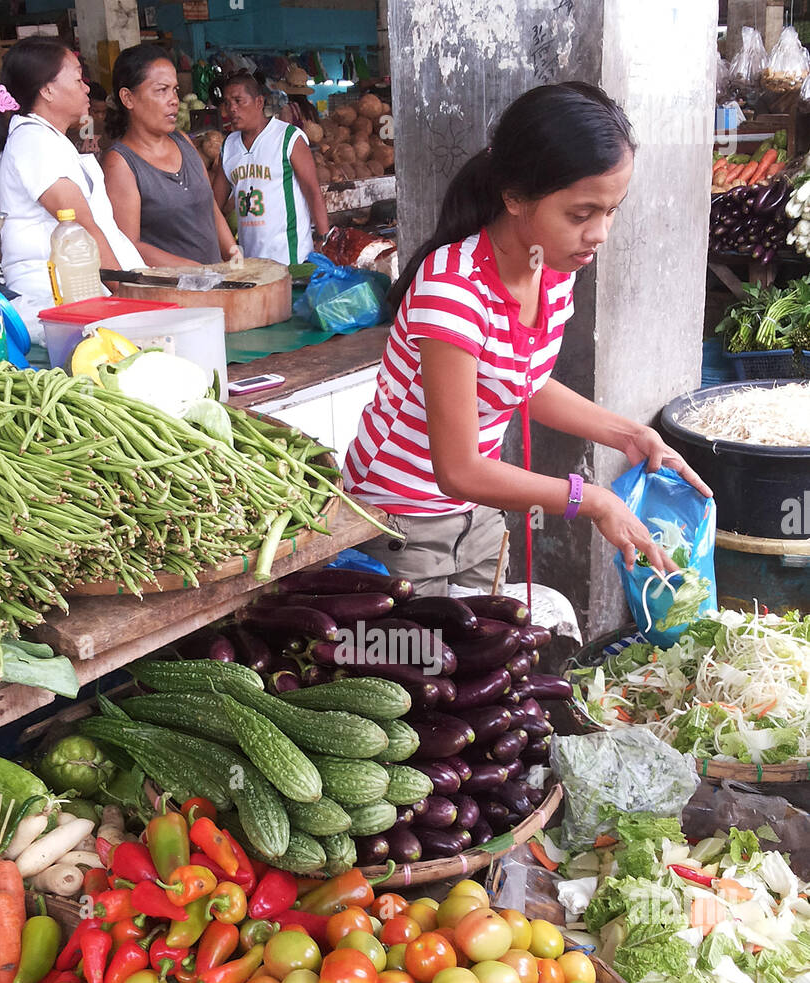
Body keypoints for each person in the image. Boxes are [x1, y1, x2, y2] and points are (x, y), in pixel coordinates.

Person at [344, 83, 711, 597]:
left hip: (479, 513)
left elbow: (524, 385)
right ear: (514, 197)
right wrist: (594, 500)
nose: (599, 234)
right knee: (421, 667)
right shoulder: (452, 289)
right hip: (397, 524)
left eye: (611, 211)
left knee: (489, 656)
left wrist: (629, 436)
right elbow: (458, 469)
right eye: (580, 214)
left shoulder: (555, 270)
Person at [0, 37, 144, 330]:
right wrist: (129, 297)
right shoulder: (33, 141)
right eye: (77, 78)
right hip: (56, 302)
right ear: (47, 90)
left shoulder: (49, 139)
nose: (86, 87)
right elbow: (81, 226)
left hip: (84, 296)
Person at [102, 45, 237, 268]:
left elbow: (210, 208)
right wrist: (196, 271)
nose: (174, 99)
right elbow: (127, 246)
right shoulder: (120, 164)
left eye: (174, 89)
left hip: (214, 287)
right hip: (172, 295)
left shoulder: (183, 141)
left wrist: (234, 255)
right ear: (128, 98)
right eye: (162, 90)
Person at [213, 70, 329, 266]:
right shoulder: (229, 146)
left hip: (291, 258)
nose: (232, 108)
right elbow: (214, 203)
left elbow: (312, 191)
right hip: (251, 262)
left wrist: (324, 240)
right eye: (227, 103)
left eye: (238, 101)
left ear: (259, 102)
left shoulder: (288, 137)